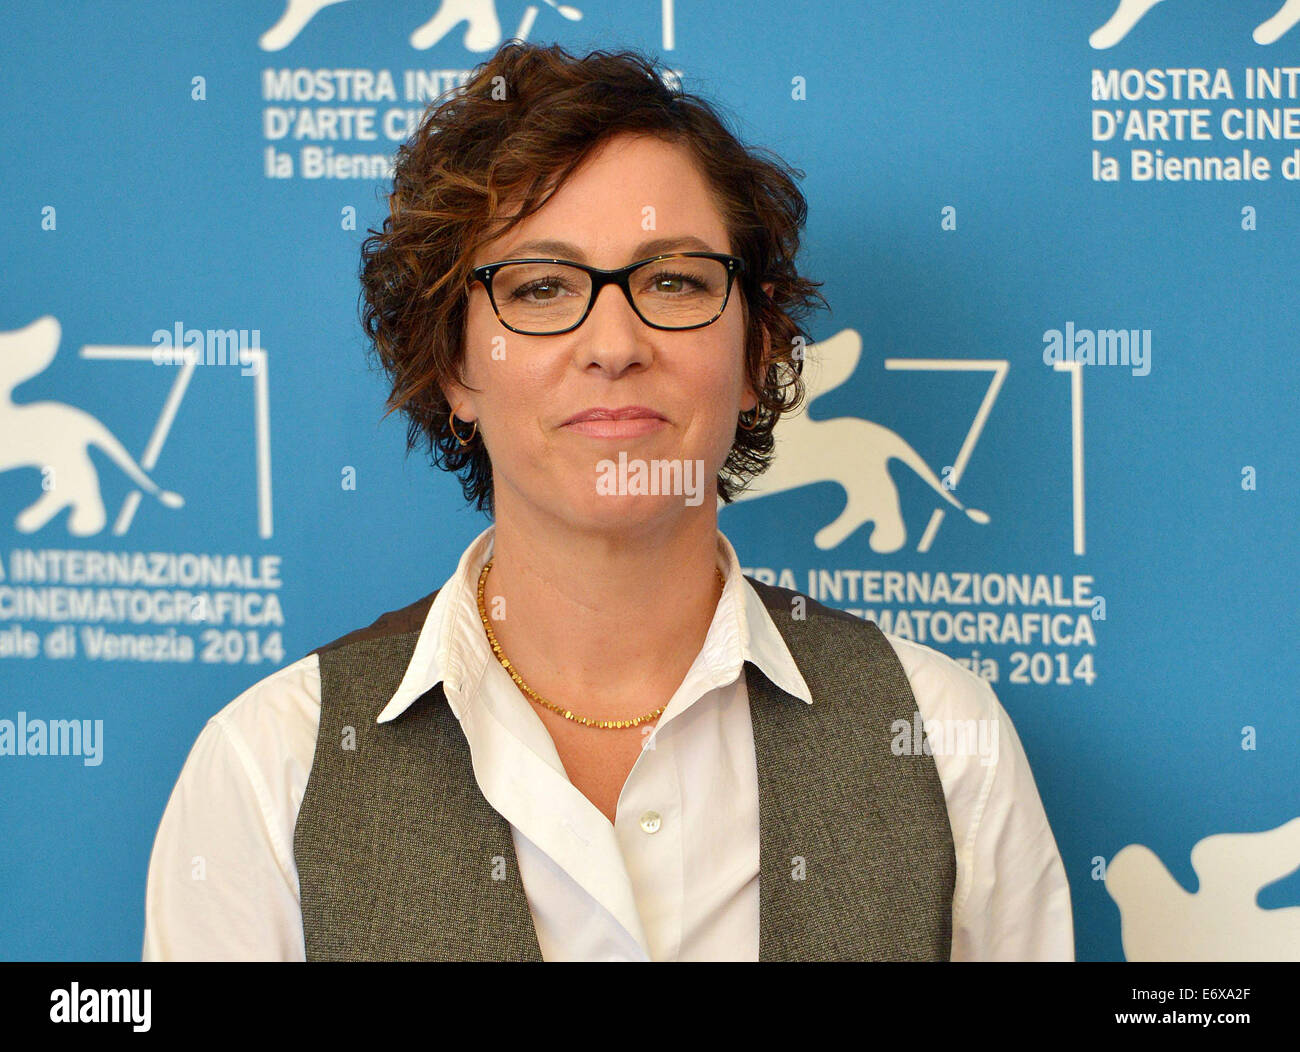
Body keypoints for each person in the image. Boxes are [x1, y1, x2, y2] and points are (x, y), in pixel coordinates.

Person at [142, 41, 1073, 962]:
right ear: (454, 366)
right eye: (542, 288)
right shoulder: (270, 768)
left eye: (674, 280)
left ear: (758, 351)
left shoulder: (947, 745)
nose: (614, 342)